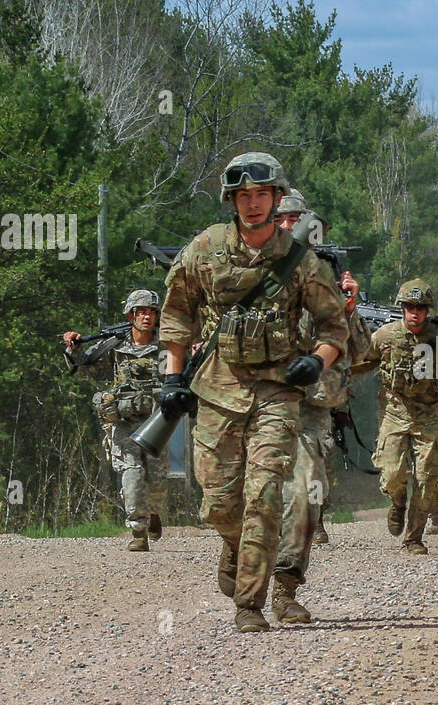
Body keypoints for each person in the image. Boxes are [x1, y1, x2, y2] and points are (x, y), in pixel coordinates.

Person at [158, 151, 348, 633]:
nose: (253, 204)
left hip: (277, 392)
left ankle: (250, 604)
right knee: (219, 503)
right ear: (232, 200)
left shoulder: (301, 261)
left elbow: (334, 328)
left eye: (262, 195)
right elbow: (177, 313)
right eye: (243, 196)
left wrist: (315, 361)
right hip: (218, 391)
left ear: (277, 197)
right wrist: (172, 378)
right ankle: (233, 542)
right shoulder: (205, 249)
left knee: (264, 494)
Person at [269, 189, 372, 623]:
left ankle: (283, 586)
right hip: (256, 399)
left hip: (309, 409)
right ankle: (238, 558)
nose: (293, 227)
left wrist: (348, 310)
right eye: (285, 220)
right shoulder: (247, 270)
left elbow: (364, 355)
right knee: (241, 498)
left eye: (300, 221)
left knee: (308, 494)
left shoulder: (328, 280)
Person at [350, 278, 438, 554]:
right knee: (393, 473)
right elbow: (359, 362)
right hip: (394, 412)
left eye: (420, 308)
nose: (415, 312)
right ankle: (397, 503)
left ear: (427, 310)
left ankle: (414, 538)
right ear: (403, 307)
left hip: (429, 414)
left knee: (427, 477)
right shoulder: (385, 336)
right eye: (410, 307)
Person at [62, 289, 169, 552]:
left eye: (152, 312)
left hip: (158, 421)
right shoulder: (115, 346)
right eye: (141, 312)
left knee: (156, 482)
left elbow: (186, 372)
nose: (147, 317)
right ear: (131, 315)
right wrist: (74, 350)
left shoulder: (168, 345)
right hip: (123, 421)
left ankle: (154, 513)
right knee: (131, 473)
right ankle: (138, 531)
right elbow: (85, 371)